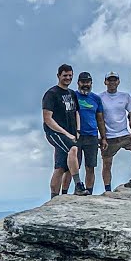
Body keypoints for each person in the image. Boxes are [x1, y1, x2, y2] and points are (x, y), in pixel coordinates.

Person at [98, 71, 131, 191]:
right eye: (109, 80)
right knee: (107, 164)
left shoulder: (125, 96)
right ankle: (108, 189)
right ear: (105, 82)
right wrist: (102, 136)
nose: (112, 82)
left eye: (114, 80)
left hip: (124, 134)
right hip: (109, 137)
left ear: (118, 81)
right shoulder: (99, 98)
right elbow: (98, 117)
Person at [42, 64, 88, 198]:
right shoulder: (51, 94)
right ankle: (79, 185)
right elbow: (47, 118)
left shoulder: (71, 93)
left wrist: (77, 130)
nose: (68, 78)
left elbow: (77, 112)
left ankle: (55, 197)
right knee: (73, 149)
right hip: (55, 133)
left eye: (70, 76)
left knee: (61, 167)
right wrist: (65, 133)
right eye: (65, 75)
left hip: (72, 132)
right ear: (58, 76)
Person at [70, 71, 107, 194]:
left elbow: (100, 119)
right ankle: (73, 190)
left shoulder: (96, 99)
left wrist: (103, 137)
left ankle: (89, 192)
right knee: (74, 166)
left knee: (90, 167)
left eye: (88, 82)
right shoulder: (72, 96)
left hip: (92, 135)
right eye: (83, 82)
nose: (85, 84)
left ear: (91, 83)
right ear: (78, 83)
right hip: (76, 136)